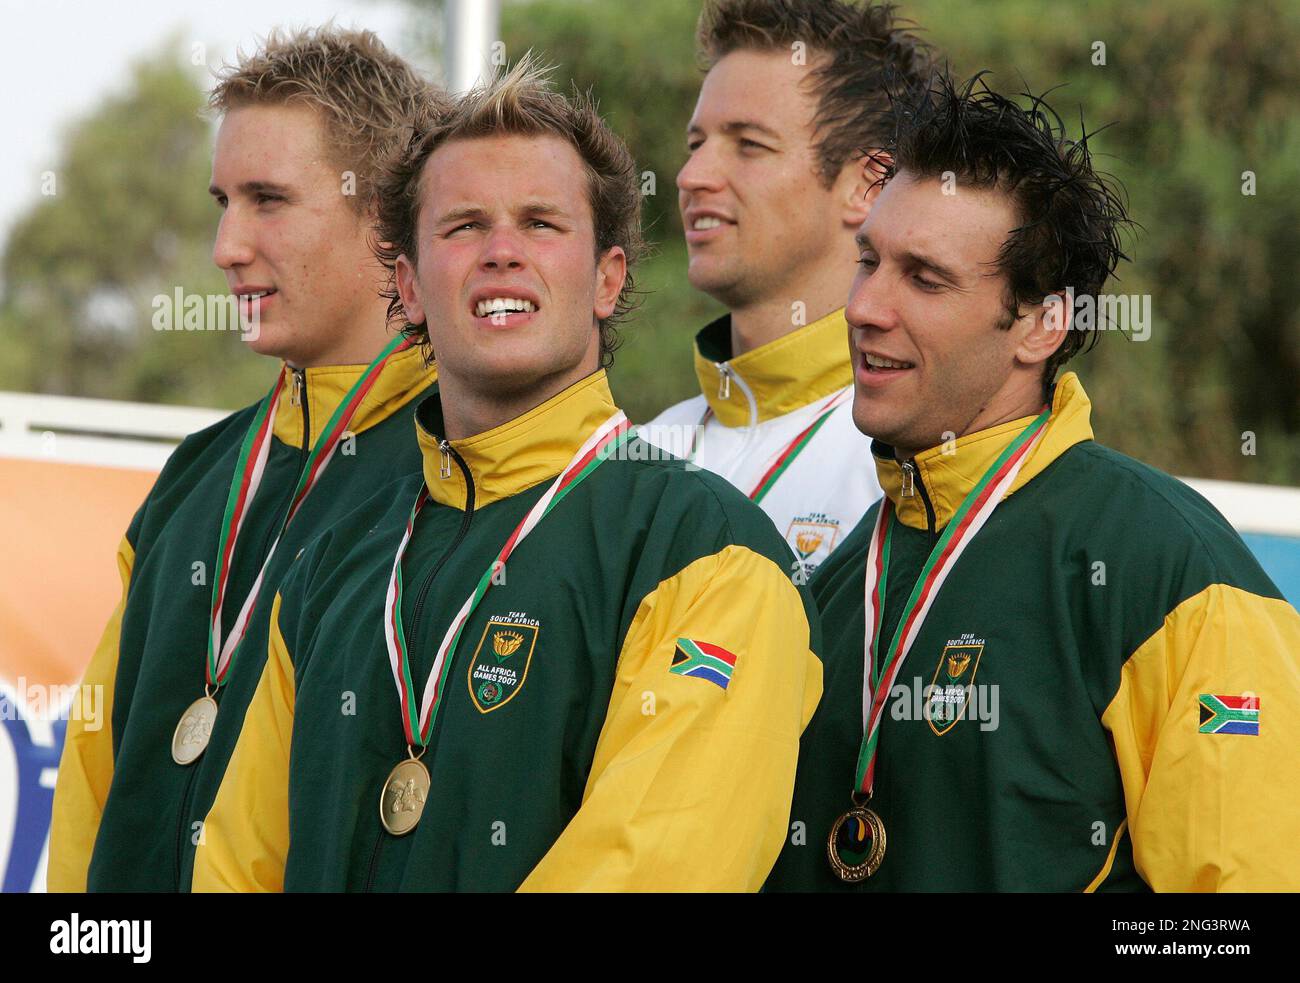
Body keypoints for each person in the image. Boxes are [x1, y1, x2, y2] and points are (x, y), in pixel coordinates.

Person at [193, 59, 822, 892]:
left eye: (540, 223)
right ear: (409, 288)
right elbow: (238, 868)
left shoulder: (708, 556)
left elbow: (653, 868)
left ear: (607, 278)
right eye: (462, 227)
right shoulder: (327, 566)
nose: (500, 253)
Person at [767, 72, 1300, 891]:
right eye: (868, 261)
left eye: (925, 278)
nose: (866, 306)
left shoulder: (1169, 571)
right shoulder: (832, 590)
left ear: (1044, 323)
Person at [48, 26, 446, 892]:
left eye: (267, 199)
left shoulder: (464, 474)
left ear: (387, 214)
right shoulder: (195, 473)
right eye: (222, 202)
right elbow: (89, 770)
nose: (227, 246)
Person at [641, 0, 931, 580]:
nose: (692, 176)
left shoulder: (921, 461)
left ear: (868, 184)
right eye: (696, 143)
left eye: (748, 144)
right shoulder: (641, 451)